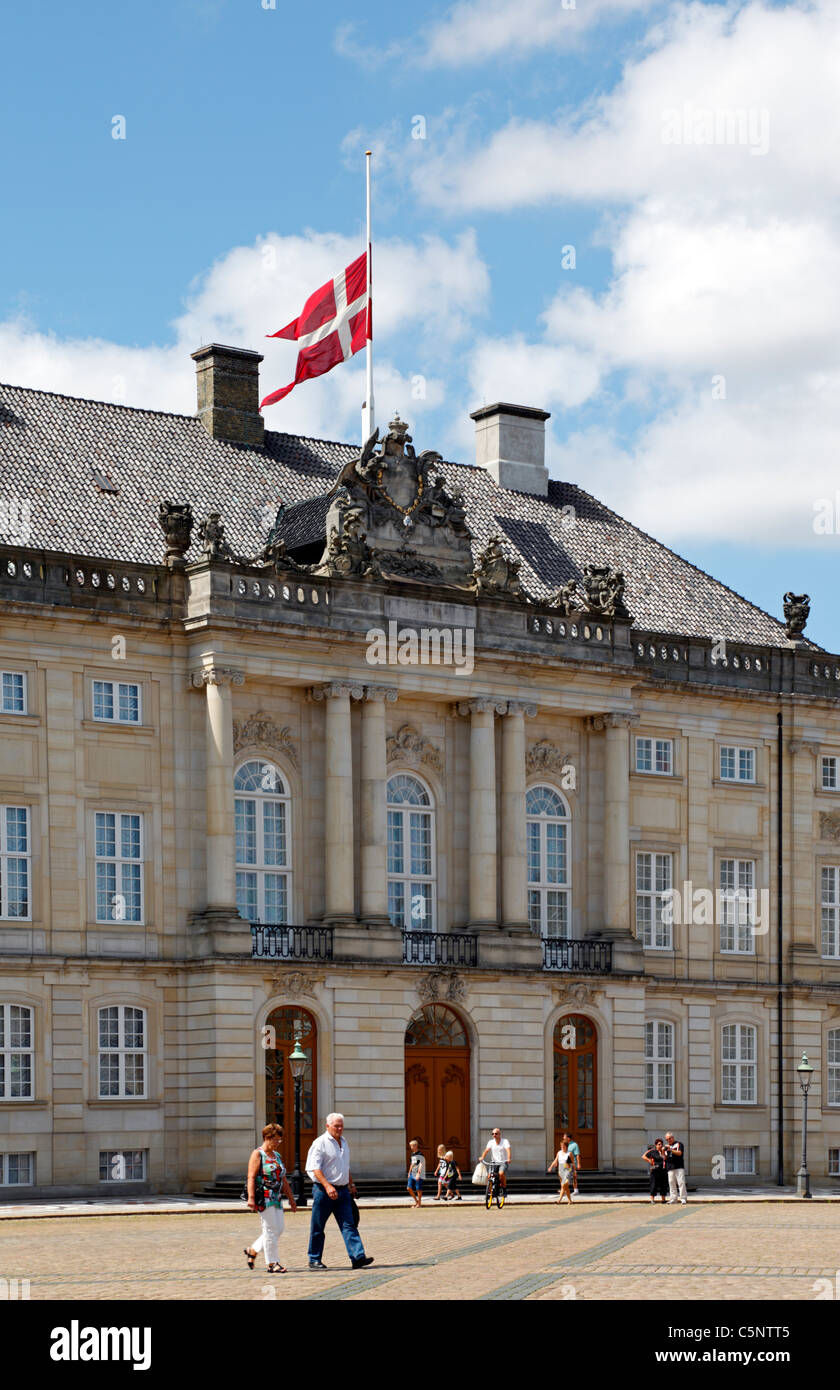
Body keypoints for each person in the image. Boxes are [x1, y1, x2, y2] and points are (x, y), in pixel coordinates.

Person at [305, 1112, 374, 1270]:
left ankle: (358, 1257)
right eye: (336, 1126)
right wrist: (328, 1186)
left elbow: (344, 1167)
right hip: (323, 1191)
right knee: (318, 1226)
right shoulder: (320, 1143)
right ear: (327, 1126)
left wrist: (351, 1184)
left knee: (349, 1225)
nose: (340, 1128)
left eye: (341, 1125)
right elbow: (314, 1169)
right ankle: (314, 1259)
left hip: (343, 1192)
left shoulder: (344, 1142)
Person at [244, 1122, 297, 1273]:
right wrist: (251, 1198)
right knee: (270, 1229)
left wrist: (291, 1199)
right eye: (275, 1140)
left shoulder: (277, 1156)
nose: (278, 1143)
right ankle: (272, 1263)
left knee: (278, 1229)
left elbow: (283, 1178)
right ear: (267, 1138)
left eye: (279, 1140)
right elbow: (251, 1176)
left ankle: (253, 1250)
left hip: (277, 1197)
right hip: (264, 1197)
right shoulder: (257, 1154)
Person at [479, 1128, 512, 1195]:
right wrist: (482, 1157)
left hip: (503, 1162)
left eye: (496, 1134)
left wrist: (508, 1158)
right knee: (489, 1176)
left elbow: (508, 1150)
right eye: (493, 1134)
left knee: (501, 1174)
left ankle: (504, 1187)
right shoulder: (491, 1142)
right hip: (494, 1162)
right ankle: (491, 1191)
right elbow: (486, 1150)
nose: (494, 1135)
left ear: (499, 1134)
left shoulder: (505, 1141)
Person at [642, 1137, 668, 1203]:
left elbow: (664, 1158)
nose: (660, 1145)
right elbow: (643, 1156)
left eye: (661, 1144)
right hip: (655, 1169)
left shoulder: (664, 1151)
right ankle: (652, 1199)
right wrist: (649, 1160)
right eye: (659, 1144)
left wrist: (663, 1151)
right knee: (653, 1184)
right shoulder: (652, 1151)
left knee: (663, 1185)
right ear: (656, 1145)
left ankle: (663, 1199)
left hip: (663, 1170)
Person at [664, 1131, 687, 1204]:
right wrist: (662, 1151)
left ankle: (683, 1198)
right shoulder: (666, 1147)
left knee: (681, 1183)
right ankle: (673, 1199)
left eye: (669, 1138)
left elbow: (679, 1153)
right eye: (667, 1139)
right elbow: (665, 1158)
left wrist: (670, 1149)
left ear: (673, 1137)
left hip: (679, 1166)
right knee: (671, 1183)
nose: (668, 1140)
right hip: (670, 1167)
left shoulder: (679, 1144)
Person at [548, 1139, 574, 1204]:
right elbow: (555, 1160)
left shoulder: (569, 1153)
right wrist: (550, 1167)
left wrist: (574, 1171)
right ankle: (570, 1201)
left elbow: (573, 1163)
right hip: (560, 1170)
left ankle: (559, 1200)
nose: (562, 1147)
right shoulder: (559, 1152)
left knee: (564, 1185)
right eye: (561, 1146)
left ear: (566, 1146)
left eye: (563, 1146)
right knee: (565, 1187)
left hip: (567, 1170)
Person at [407, 1139, 426, 1208]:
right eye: (410, 1146)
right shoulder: (412, 1154)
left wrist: (418, 1173)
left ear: (416, 1146)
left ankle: (419, 1203)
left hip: (419, 1174)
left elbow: (421, 1164)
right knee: (409, 1188)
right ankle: (416, 1201)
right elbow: (412, 1164)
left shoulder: (420, 1154)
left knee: (418, 1189)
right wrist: (409, 1172)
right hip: (412, 1173)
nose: (411, 1147)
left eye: (412, 1146)